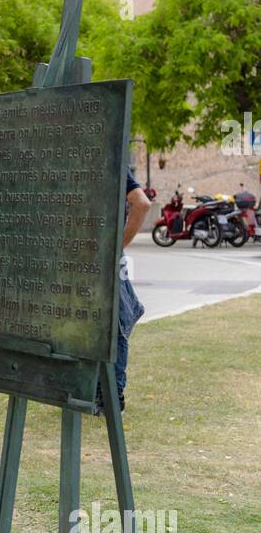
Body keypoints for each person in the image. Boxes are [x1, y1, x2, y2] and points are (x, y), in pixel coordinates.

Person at [98, 170, 150, 414]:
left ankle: (111, 397)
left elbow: (141, 203)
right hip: (92, 256)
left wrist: (117, 246)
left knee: (117, 322)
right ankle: (100, 392)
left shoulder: (114, 161)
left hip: (105, 256)